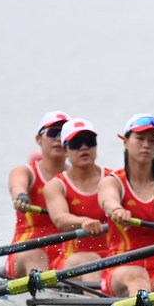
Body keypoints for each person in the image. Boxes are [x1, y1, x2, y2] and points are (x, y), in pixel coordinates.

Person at [97, 113, 154, 298]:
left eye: (152, 141)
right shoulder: (113, 181)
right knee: (136, 276)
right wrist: (117, 210)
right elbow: (108, 200)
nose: (146, 145)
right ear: (125, 142)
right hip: (121, 267)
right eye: (140, 138)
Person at [42, 118, 110, 284]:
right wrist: (84, 222)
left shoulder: (113, 179)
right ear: (65, 150)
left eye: (89, 141)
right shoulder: (56, 185)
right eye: (76, 143)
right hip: (72, 258)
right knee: (90, 259)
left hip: (114, 256)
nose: (84, 147)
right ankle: (99, 297)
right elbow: (60, 219)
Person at [5, 110, 70, 278]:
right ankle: (43, 290)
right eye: (53, 133)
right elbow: (17, 185)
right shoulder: (26, 172)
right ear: (38, 139)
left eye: (64, 133)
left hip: (65, 255)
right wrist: (21, 196)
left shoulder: (77, 178)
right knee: (35, 255)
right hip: (27, 251)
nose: (58, 138)